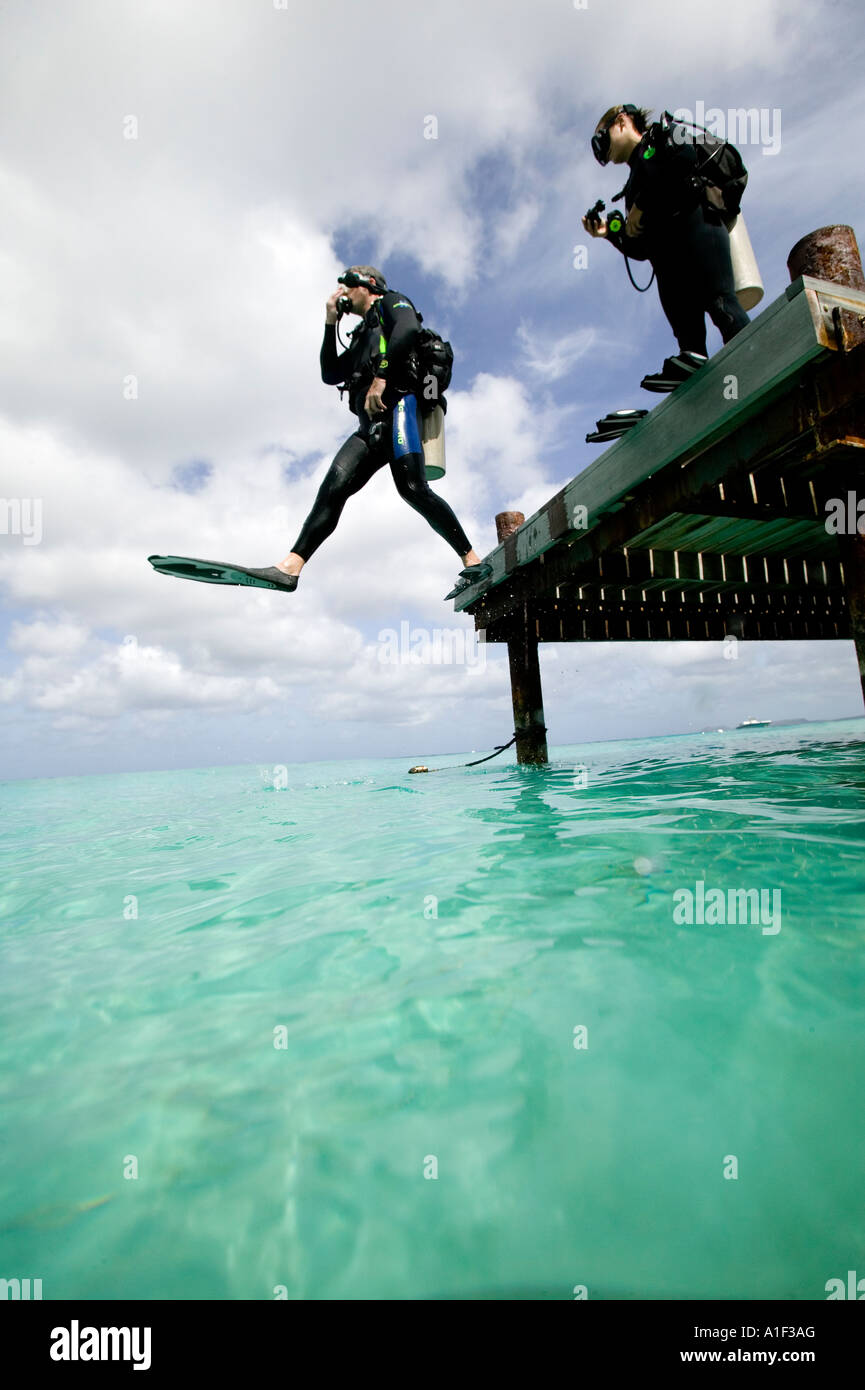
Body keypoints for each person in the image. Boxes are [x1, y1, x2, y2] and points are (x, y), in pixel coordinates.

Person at [253, 265, 490, 600]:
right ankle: (290, 567)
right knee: (333, 486)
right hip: (369, 427)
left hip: (399, 407)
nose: (344, 294)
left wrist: (381, 376)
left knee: (413, 489)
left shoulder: (392, 302)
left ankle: (472, 559)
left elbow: (407, 330)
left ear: (369, 286)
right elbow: (330, 372)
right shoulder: (363, 332)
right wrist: (330, 322)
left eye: (348, 287)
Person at [582, 104, 750, 391]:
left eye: (603, 136)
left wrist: (642, 205)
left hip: (699, 230)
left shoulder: (664, 135)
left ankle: (756, 364)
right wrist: (609, 234)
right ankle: (704, 392)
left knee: (721, 305)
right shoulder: (632, 184)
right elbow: (640, 248)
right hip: (668, 260)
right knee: (688, 339)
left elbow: (683, 159)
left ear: (621, 122)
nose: (603, 150)